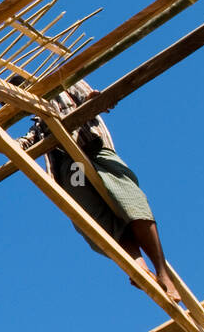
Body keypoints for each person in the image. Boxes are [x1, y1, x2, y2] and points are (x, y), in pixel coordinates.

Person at [15, 79, 180, 303]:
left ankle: (162, 272)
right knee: (99, 222)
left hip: (93, 148)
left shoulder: (63, 87)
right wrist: (13, 144)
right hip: (70, 168)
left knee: (130, 201)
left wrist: (95, 100)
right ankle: (139, 269)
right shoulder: (37, 123)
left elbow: (88, 95)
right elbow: (27, 142)